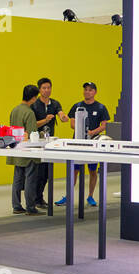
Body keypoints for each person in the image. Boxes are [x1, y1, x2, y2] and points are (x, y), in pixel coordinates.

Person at [71, 82, 112, 207]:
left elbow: (104, 125)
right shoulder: (77, 106)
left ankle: (90, 196)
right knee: (74, 170)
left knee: (92, 170)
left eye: (90, 90)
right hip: (78, 142)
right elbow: (72, 123)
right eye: (85, 90)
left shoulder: (100, 107)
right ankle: (69, 196)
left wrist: (92, 132)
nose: (87, 92)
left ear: (95, 92)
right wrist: (81, 129)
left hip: (93, 143)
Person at [31, 78, 66, 207]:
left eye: (49, 87)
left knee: (46, 173)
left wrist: (63, 117)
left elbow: (61, 113)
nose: (47, 90)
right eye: (44, 88)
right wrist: (45, 120)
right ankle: (34, 198)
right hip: (36, 142)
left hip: (50, 143)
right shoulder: (34, 105)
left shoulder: (54, 103)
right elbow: (32, 124)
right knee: (37, 172)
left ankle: (40, 197)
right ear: (39, 90)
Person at [9, 85, 42, 215]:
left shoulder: (14, 110)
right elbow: (32, 134)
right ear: (33, 98)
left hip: (15, 148)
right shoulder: (29, 113)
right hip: (27, 151)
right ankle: (30, 207)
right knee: (30, 179)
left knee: (17, 179)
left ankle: (16, 206)